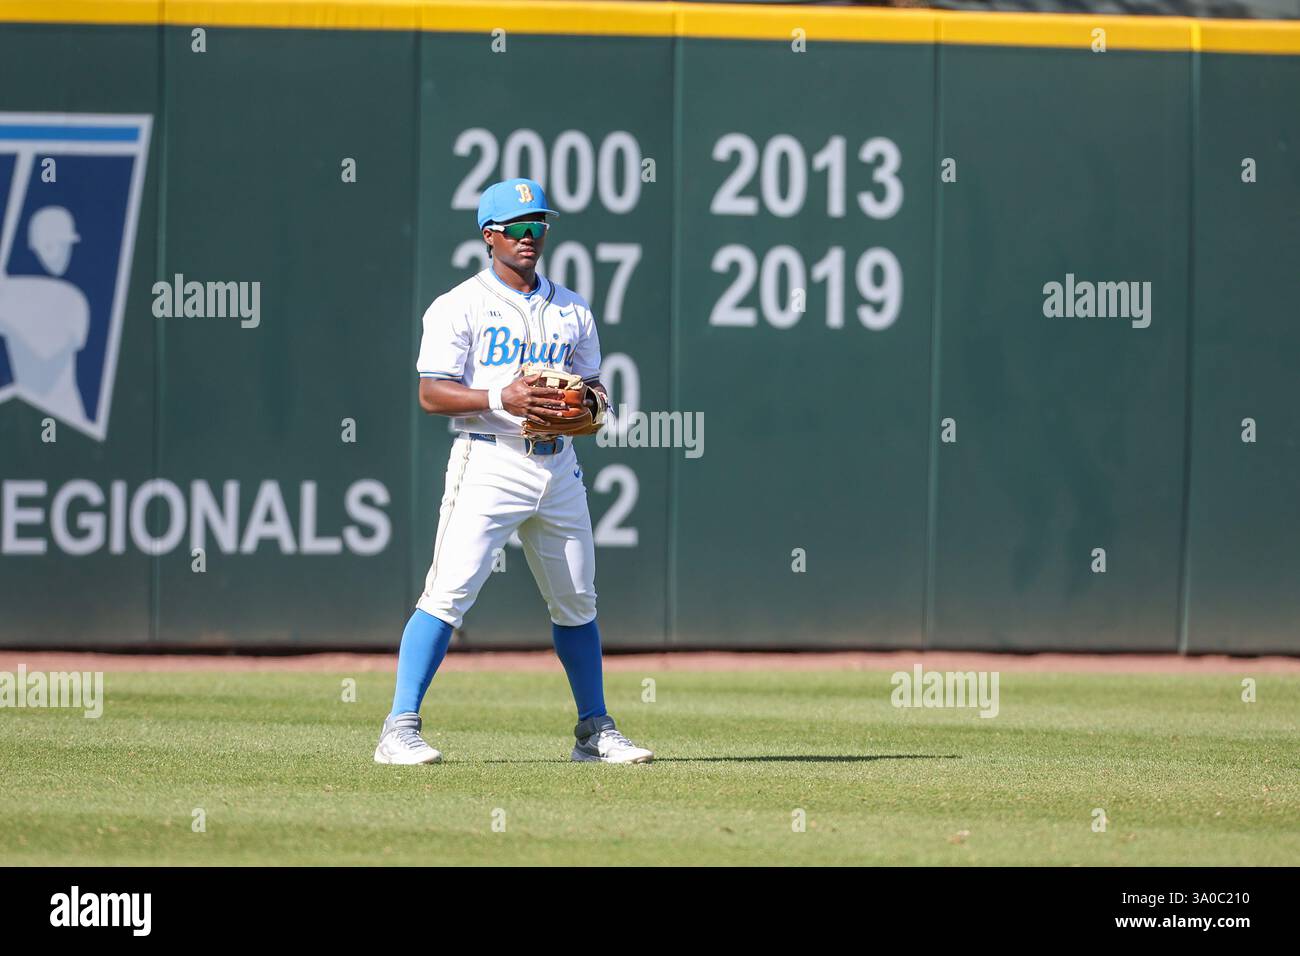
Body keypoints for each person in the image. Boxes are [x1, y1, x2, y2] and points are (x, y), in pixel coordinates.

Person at [374, 177, 653, 766]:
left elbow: (595, 387)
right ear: (489, 235)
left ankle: (593, 730)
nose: (531, 237)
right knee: (447, 593)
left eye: (539, 226)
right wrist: (501, 396)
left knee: (577, 601)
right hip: (489, 460)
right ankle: (399, 728)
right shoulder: (458, 304)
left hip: (558, 465)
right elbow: (431, 393)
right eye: (518, 228)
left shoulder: (572, 307)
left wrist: (591, 403)